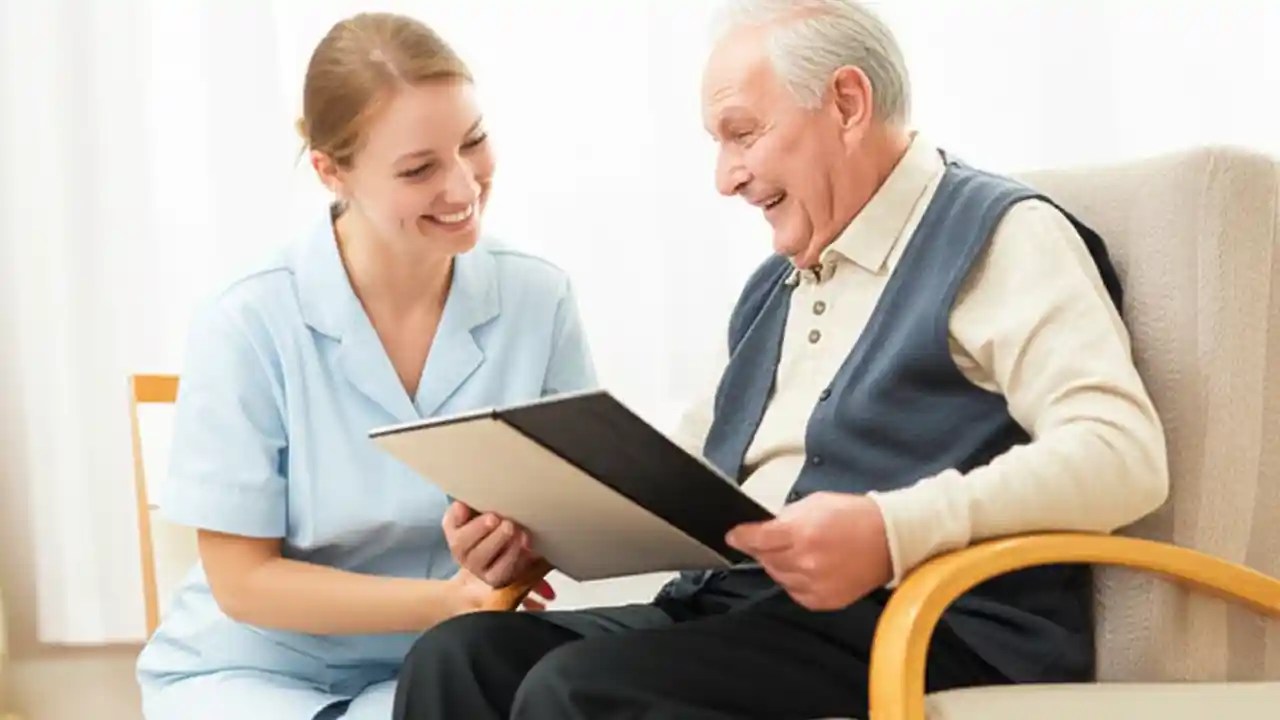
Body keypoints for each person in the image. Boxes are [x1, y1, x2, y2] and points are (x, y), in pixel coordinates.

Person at [391, 1, 1172, 719]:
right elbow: (688, 478)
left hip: (923, 621)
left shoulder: (1001, 236)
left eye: (743, 133)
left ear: (846, 104)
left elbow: (1122, 452)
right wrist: (538, 530)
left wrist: (889, 528)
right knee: (458, 658)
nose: (726, 177)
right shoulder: (777, 285)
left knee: (579, 693)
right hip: (744, 606)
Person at [134, 12, 592, 720]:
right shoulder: (249, 321)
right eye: (419, 169)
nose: (464, 185)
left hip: (451, 667)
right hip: (256, 673)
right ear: (330, 170)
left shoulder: (539, 298)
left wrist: (515, 555)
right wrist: (447, 602)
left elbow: (574, 508)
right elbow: (242, 581)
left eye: (473, 141)